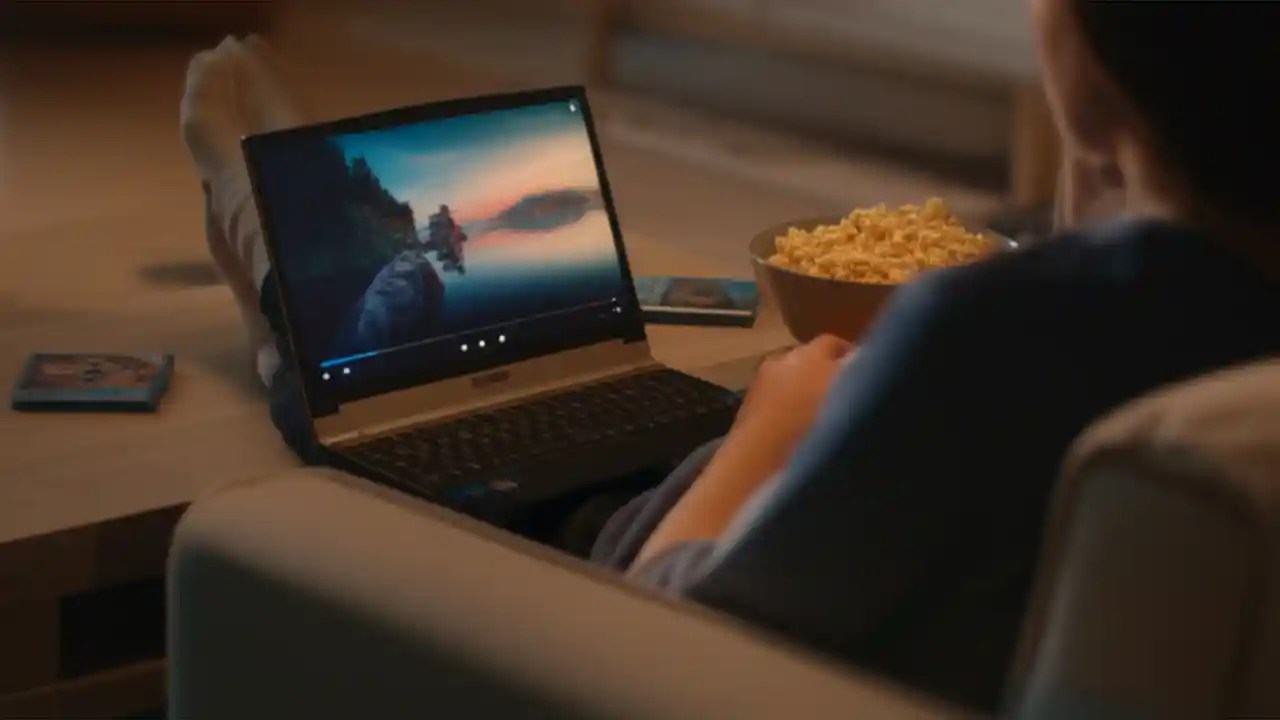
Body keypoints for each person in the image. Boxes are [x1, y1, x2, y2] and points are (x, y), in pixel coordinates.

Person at [183, 1, 1279, 710]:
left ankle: (268, 251)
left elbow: (656, 640)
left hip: (632, 622)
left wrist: (770, 427)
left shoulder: (981, 339)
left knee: (400, 440)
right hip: (894, 602)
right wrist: (1104, 156)